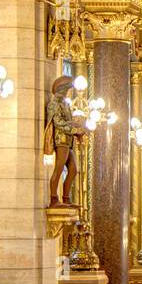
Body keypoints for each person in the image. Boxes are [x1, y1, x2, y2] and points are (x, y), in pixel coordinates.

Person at [43, 76, 84, 206]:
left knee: (73, 169)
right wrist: (75, 130)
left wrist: (78, 129)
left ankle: (66, 198)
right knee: (59, 168)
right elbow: (58, 123)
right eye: (69, 90)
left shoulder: (65, 104)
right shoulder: (53, 105)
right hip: (60, 139)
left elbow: (68, 120)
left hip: (68, 140)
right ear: (62, 89)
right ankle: (54, 199)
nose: (70, 92)